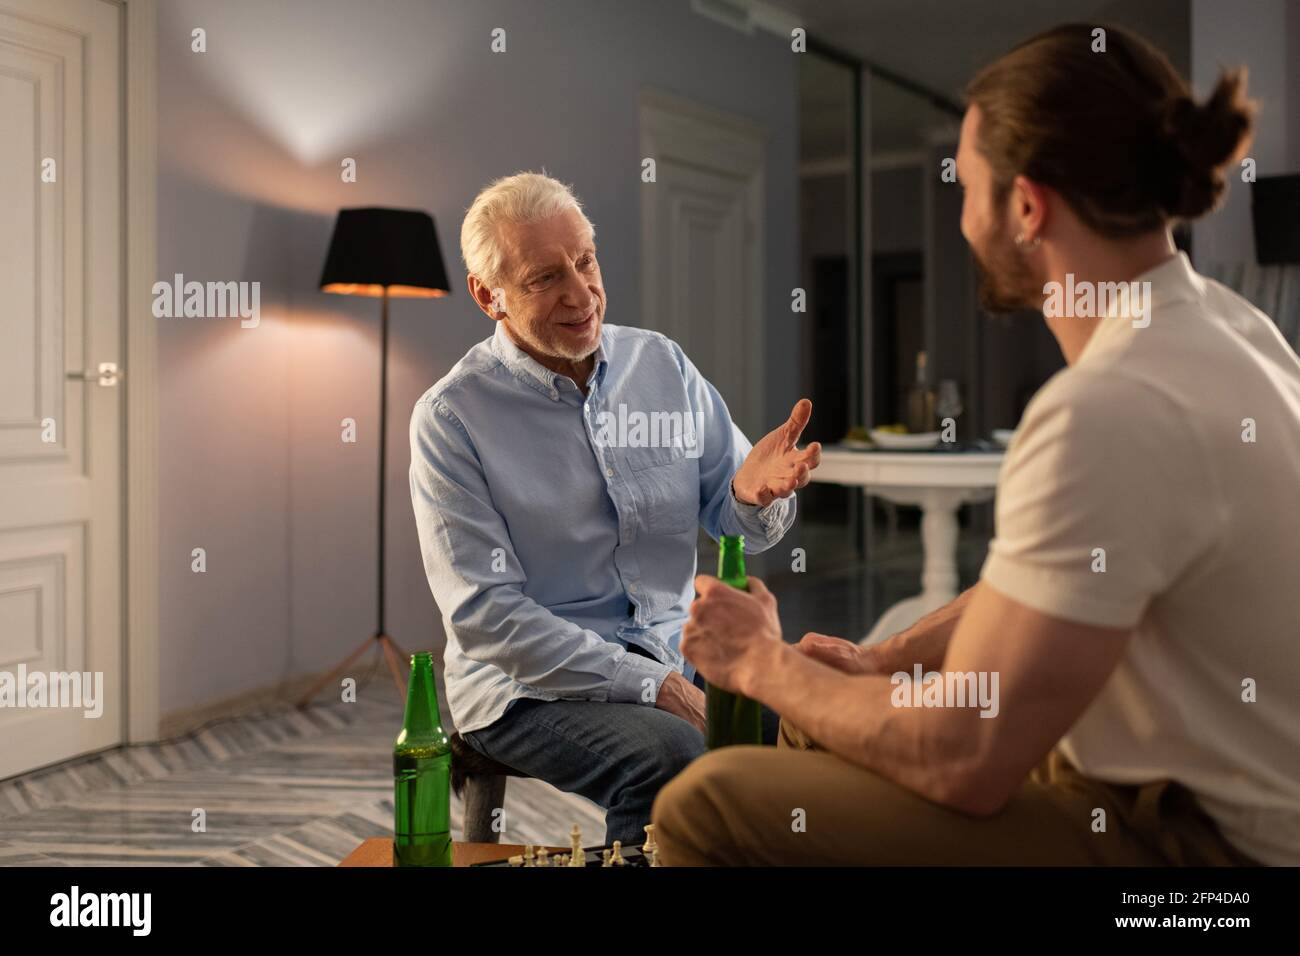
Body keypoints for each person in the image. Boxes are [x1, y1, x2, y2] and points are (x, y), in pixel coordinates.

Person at [653, 23, 1300, 866]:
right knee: (825, 730)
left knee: (707, 804)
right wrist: (879, 659)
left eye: (965, 184)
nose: (960, 217)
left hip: (1201, 857)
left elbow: (964, 757)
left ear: (1027, 207)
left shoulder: (1108, 405)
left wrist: (760, 663)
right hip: (1183, 783)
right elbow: (1030, 590)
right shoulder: (1232, 328)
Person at [409, 171, 821, 845]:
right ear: (490, 296)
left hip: (673, 647)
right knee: (669, 759)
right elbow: (487, 619)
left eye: (586, 261)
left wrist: (751, 495)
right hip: (524, 686)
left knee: (816, 723)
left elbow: (733, 509)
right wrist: (655, 686)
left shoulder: (661, 365)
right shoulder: (452, 419)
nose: (581, 294)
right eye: (545, 279)